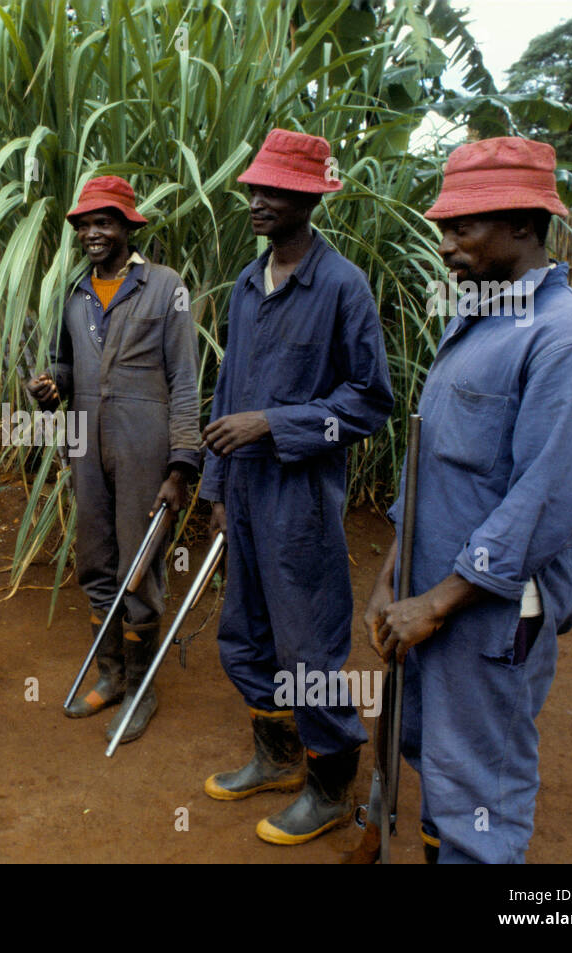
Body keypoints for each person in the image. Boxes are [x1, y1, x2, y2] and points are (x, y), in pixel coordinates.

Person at [367, 137, 572, 864]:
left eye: (462, 228)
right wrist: (392, 574)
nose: (445, 245)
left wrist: (439, 601)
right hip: (436, 598)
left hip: (490, 613)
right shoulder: (478, 318)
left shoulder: (567, 341)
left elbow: (543, 503)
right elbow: (436, 466)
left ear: (523, 224)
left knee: (481, 790)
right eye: (444, 227)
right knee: (435, 753)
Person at [199, 129, 393, 844]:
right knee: (244, 633)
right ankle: (278, 755)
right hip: (244, 490)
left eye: (274, 190)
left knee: (307, 643)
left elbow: (371, 403)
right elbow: (225, 394)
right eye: (253, 188)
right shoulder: (249, 286)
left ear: (311, 198)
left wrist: (275, 425)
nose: (256, 200)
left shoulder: (341, 285)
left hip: (302, 495)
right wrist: (217, 485)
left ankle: (333, 783)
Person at [28, 175, 201, 744]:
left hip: (143, 443)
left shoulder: (164, 286)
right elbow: (66, 366)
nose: (92, 233)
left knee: (140, 562)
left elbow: (183, 379)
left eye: (104, 222)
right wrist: (53, 385)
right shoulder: (75, 293)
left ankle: (143, 691)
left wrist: (181, 464)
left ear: (129, 226)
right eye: (84, 224)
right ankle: (111, 676)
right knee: (97, 560)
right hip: (85, 442)